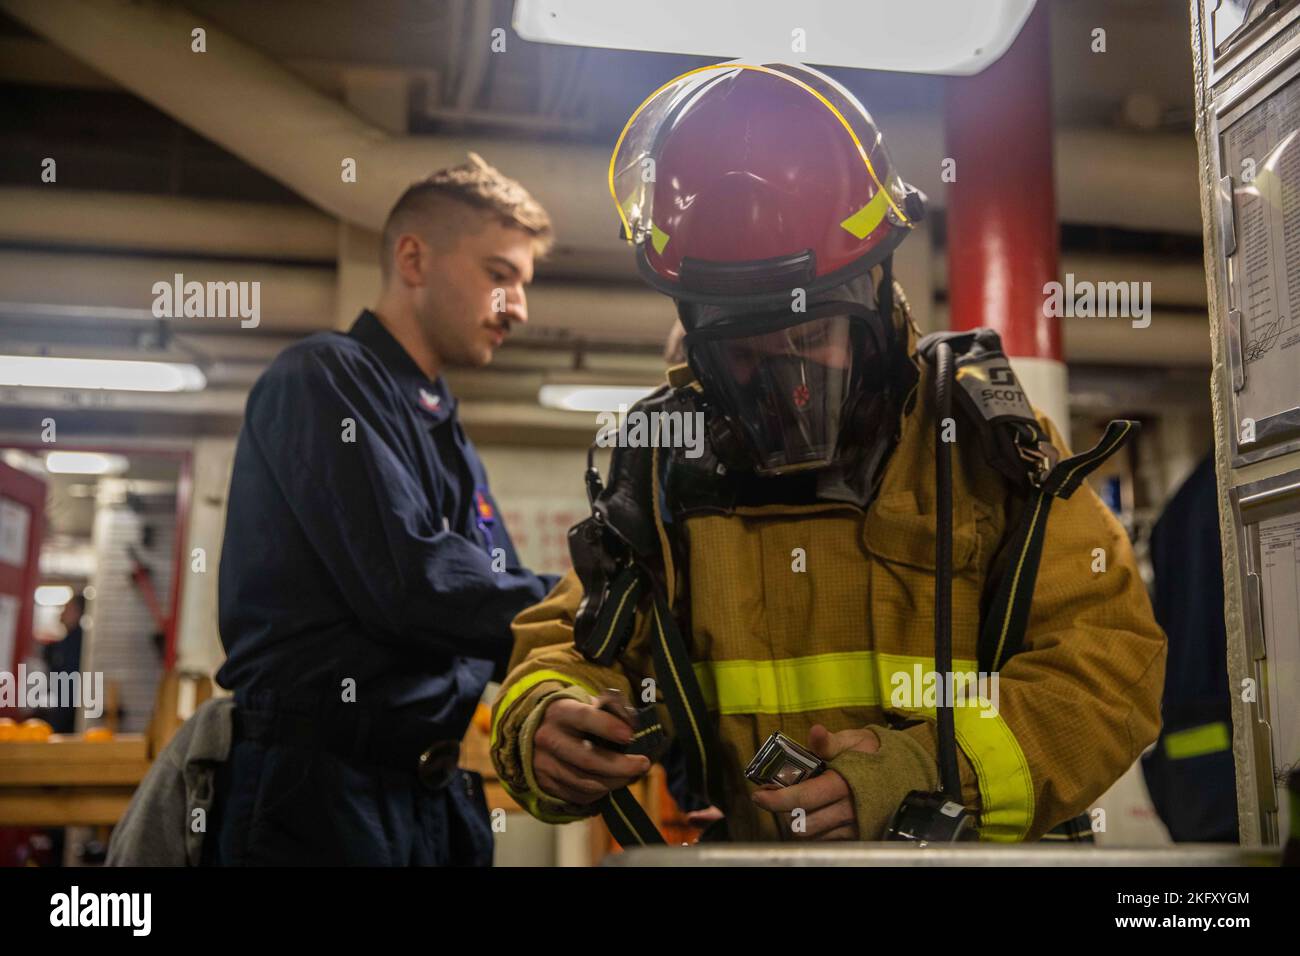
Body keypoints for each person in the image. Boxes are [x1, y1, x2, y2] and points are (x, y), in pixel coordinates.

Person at [490, 63, 1167, 844]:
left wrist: (930, 775)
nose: (790, 388)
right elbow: (570, 644)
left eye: (812, 338)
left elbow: (1109, 665)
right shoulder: (667, 466)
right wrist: (544, 719)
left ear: (876, 290)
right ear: (699, 332)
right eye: (746, 353)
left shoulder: (983, 442)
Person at [210, 153, 560, 865]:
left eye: (524, 284)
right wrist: (594, 605)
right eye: (500, 275)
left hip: (427, 795)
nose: (519, 307)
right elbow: (412, 583)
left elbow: (500, 607)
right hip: (320, 801)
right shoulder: (322, 378)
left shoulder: (445, 432)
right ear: (413, 258)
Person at [43, 593, 85, 735]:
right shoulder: (63, 643)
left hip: (69, 710)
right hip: (62, 704)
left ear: (77, 613)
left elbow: (69, 680)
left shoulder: (79, 642)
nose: (62, 613)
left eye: (67, 608)